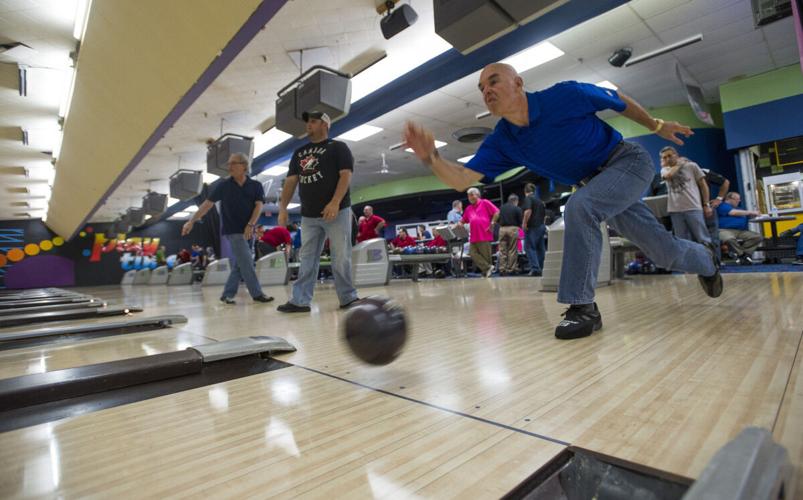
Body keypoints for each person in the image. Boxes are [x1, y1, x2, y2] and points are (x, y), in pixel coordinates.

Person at [403, 63, 721, 340]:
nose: (486, 90)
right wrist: (431, 158)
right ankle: (706, 260)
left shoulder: (564, 95)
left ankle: (582, 307)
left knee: (580, 206)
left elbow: (618, 100)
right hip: (596, 184)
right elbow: (462, 178)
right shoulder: (503, 141)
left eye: (494, 81)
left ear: (518, 83)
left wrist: (656, 125)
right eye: (481, 88)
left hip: (628, 161)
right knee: (662, 252)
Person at [275, 110, 360, 312]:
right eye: (308, 122)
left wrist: (335, 202)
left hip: (337, 212)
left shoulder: (338, 147)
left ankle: (348, 298)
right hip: (309, 215)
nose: (309, 125)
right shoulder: (299, 152)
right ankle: (300, 301)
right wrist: (282, 208)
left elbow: (346, 175)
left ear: (325, 125)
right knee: (307, 258)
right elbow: (290, 182)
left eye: (314, 121)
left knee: (341, 257)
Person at [182, 153, 273, 304]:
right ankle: (257, 294)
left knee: (240, 264)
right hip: (233, 231)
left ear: (244, 166)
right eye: (229, 163)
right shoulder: (224, 186)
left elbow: (259, 206)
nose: (229, 167)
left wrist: (251, 225)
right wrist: (191, 221)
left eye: (233, 163)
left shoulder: (256, 185)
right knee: (247, 262)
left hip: (249, 230)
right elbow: (207, 204)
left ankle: (227, 294)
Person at [660, 147, 711, 244]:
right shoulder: (664, 170)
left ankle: (708, 254)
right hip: (675, 211)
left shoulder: (691, 166)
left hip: (693, 207)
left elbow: (703, 186)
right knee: (682, 241)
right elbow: (669, 175)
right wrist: (680, 164)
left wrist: (706, 204)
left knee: (703, 239)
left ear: (676, 155)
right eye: (664, 157)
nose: (668, 159)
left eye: (670, 156)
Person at [459, 187, 499, 277]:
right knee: (472, 253)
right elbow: (463, 220)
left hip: (484, 233)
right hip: (473, 236)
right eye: (468, 196)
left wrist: (492, 223)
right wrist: (459, 224)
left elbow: (497, 212)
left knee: (486, 256)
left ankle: (486, 273)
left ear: (478, 195)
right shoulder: (468, 208)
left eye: (472, 195)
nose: (470, 197)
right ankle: (488, 268)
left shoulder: (485, 202)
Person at [716, 192, 763, 265]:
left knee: (757, 237)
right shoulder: (722, 205)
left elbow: (747, 216)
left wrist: (753, 215)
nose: (739, 201)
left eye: (739, 199)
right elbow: (733, 213)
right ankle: (742, 255)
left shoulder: (739, 209)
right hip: (724, 230)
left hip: (740, 231)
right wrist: (751, 212)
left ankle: (743, 255)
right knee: (729, 239)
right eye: (737, 199)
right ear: (728, 199)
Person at [701, 168, 730, 259]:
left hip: (705, 208)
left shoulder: (703, 171)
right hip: (689, 209)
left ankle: (715, 261)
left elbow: (725, 182)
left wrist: (719, 199)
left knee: (712, 236)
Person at [521, 183, 546, 276]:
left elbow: (528, 211)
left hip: (532, 227)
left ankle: (535, 269)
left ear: (525, 191)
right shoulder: (540, 201)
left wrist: (524, 223)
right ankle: (541, 267)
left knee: (529, 247)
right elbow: (544, 215)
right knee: (540, 248)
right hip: (541, 226)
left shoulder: (528, 199)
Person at [497, 193, 522, 275]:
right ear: (516, 201)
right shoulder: (517, 208)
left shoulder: (502, 208)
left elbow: (497, 217)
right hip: (512, 229)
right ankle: (511, 269)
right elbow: (520, 221)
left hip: (502, 229)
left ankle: (502, 269)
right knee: (512, 249)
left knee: (502, 250)